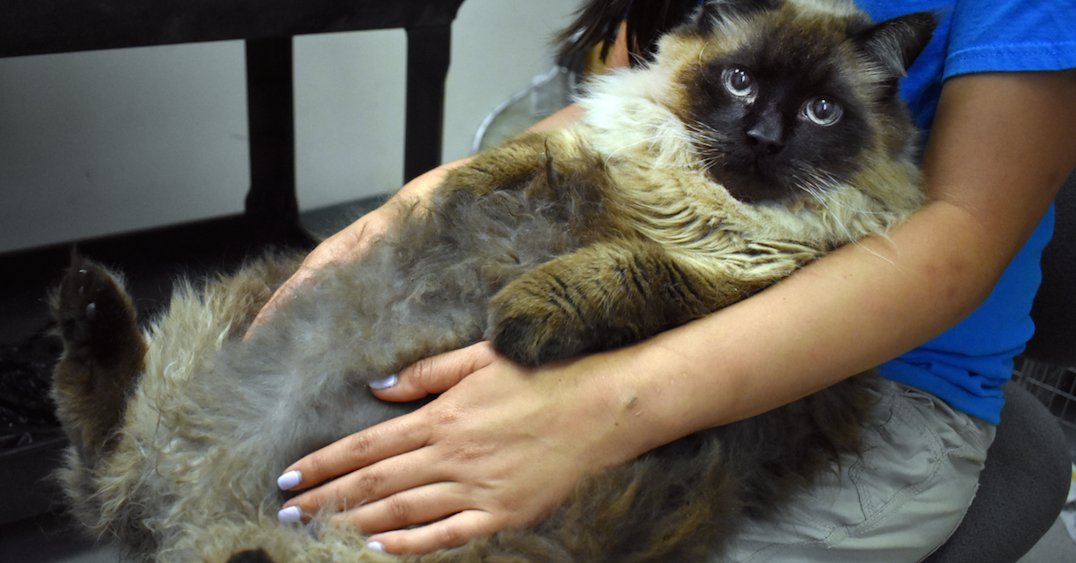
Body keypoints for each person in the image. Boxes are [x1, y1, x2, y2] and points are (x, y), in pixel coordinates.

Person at [256, 0, 1076, 560]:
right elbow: (639, 94)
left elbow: (965, 229)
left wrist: (602, 408)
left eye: (820, 112)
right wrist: (418, 196)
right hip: (624, 279)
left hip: (866, 377)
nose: (763, 130)